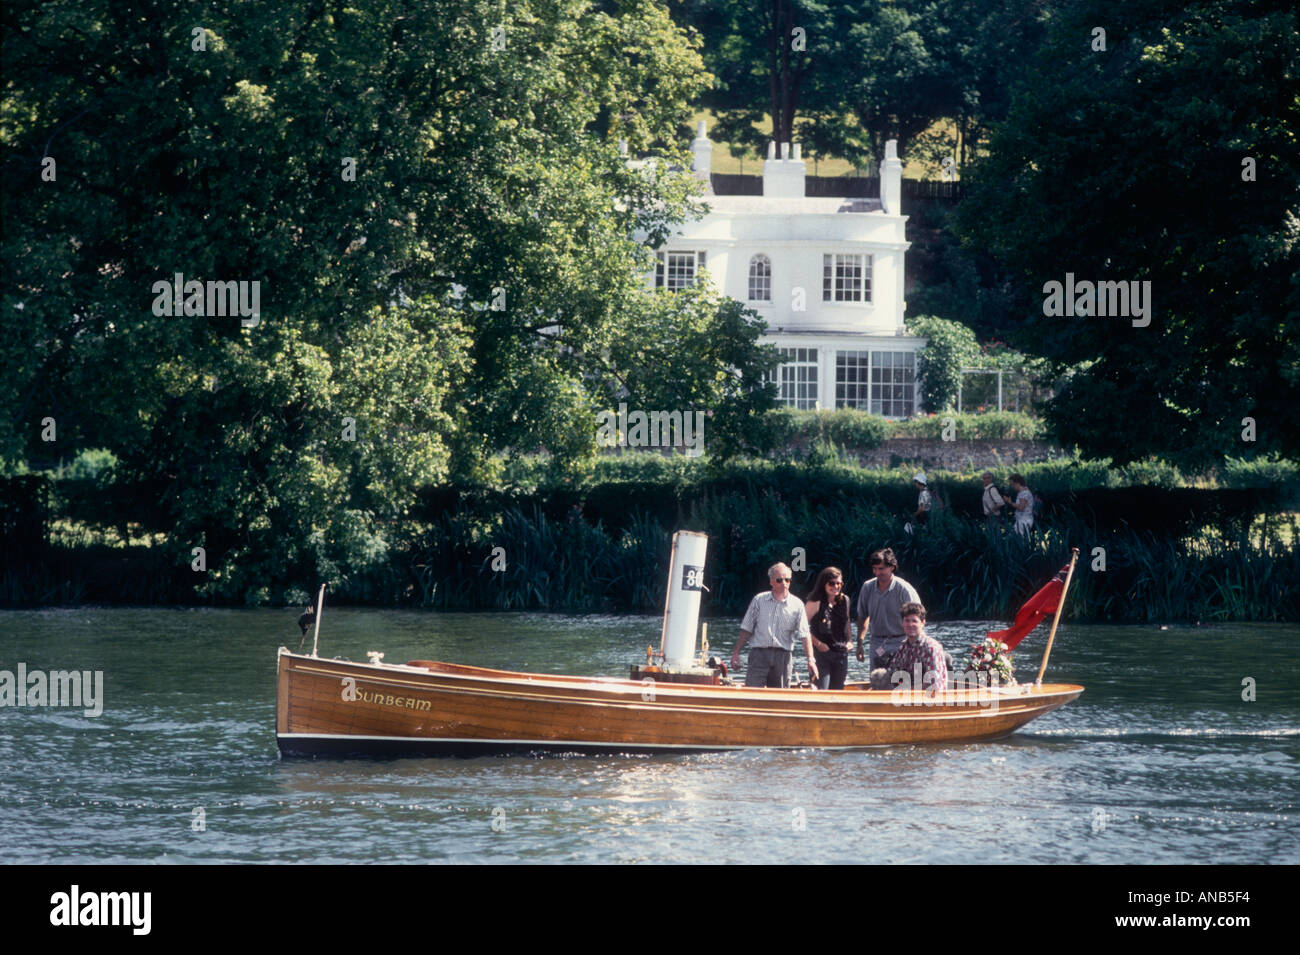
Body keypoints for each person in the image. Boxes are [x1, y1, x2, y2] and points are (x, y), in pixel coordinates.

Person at [732, 563, 819, 688]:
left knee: (780, 696)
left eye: (787, 580)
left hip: (783, 657)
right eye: (779, 580)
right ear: (771, 581)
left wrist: (811, 659)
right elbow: (747, 628)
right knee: (753, 695)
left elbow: (804, 635)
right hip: (759, 655)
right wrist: (736, 652)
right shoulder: (758, 600)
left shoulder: (798, 604)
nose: (784, 583)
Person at [854, 548, 921, 687]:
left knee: (902, 684)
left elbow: (918, 619)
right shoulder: (867, 587)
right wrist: (860, 643)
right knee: (877, 683)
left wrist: (917, 646)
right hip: (877, 642)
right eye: (874, 569)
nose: (877, 573)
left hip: (902, 641)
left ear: (892, 567)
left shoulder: (904, 589)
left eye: (881, 569)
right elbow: (862, 616)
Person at [805, 566, 853, 690]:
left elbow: (847, 622)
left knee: (837, 692)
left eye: (839, 583)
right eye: (832, 583)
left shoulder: (845, 601)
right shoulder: (814, 602)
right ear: (823, 583)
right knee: (821, 691)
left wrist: (850, 641)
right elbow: (801, 627)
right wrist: (818, 643)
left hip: (841, 653)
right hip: (821, 654)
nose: (835, 586)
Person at [889, 601, 948, 695]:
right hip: (909, 695)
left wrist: (907, 691)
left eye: (914, 621)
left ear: (923, 623)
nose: (910, 624)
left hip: (932, 698)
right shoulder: (903, 647)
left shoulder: (931, 647)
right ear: (902, 623)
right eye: (907, 620)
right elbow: (892, 673)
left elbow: (932, 682)